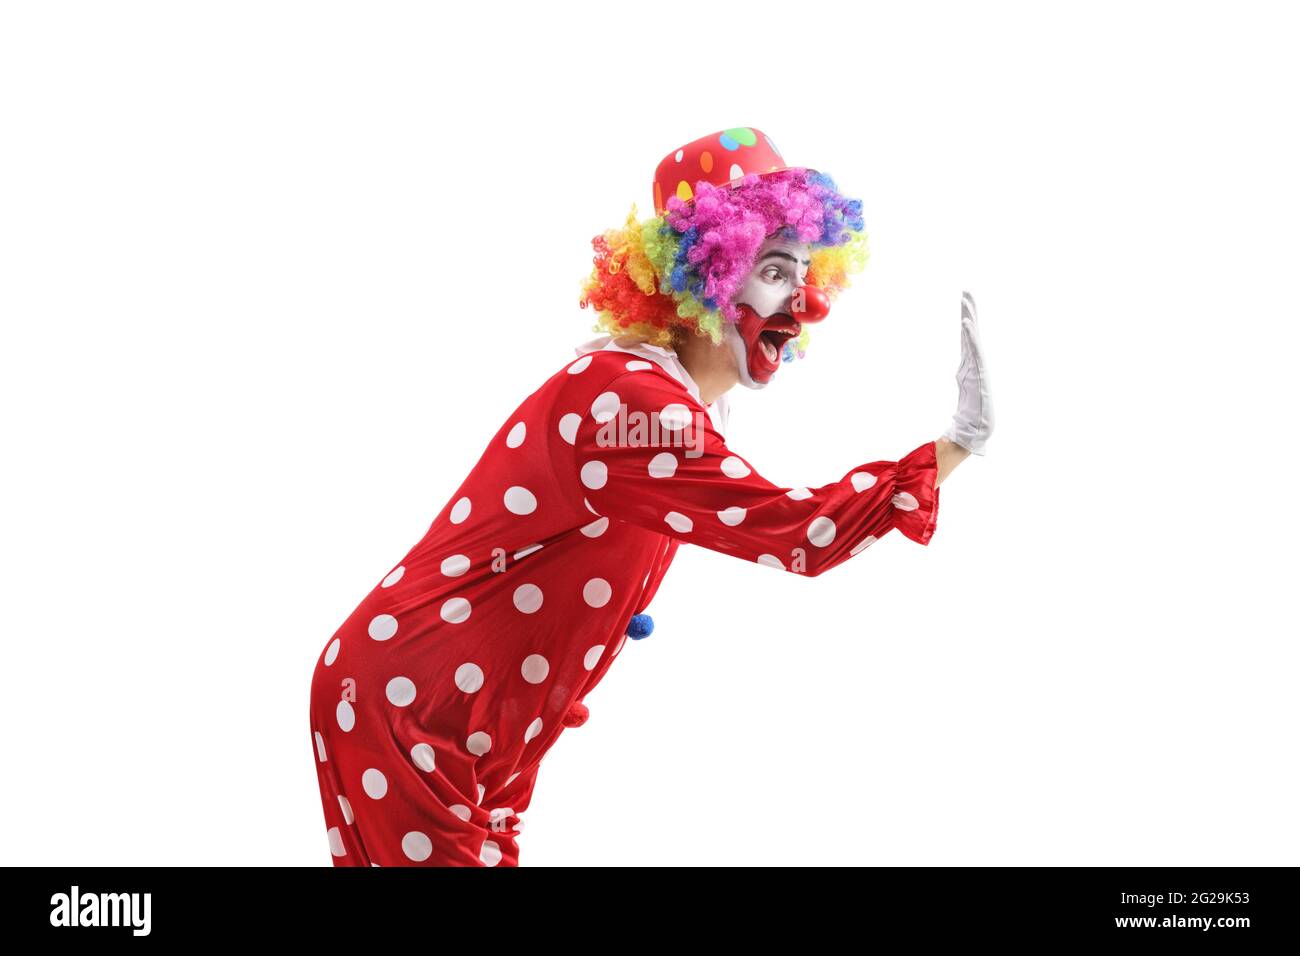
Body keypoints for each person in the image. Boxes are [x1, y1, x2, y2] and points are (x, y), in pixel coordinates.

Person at [308, 127, 995, 866]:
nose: (808, 303)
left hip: (483, 729)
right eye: (773, 270)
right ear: (702, 277)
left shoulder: (662, 400)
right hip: (415, 708)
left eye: (804, 272)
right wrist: (954, 446)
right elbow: (795, 532)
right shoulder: (626, 403)